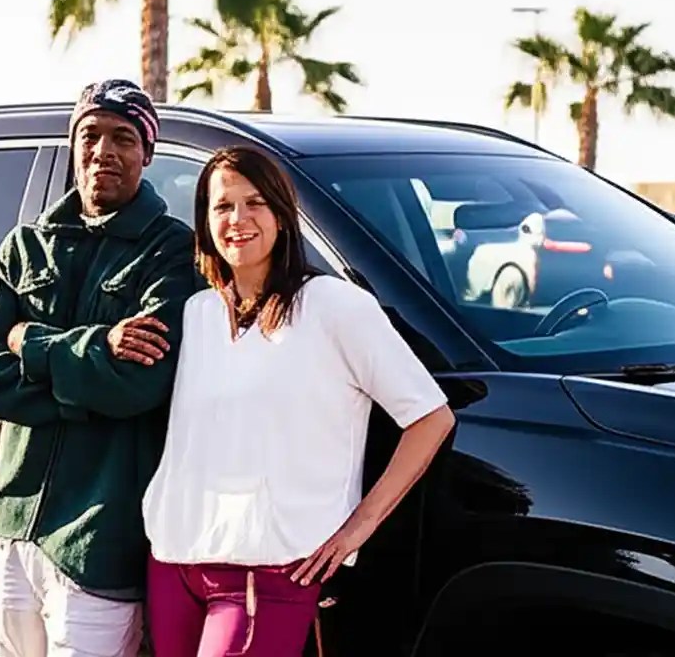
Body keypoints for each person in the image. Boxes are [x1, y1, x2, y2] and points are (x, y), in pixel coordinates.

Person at [128, 145, 457, 657]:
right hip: (174, 562)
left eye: (255, 203)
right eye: (222, 206)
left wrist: (357, 529)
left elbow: (430, 418)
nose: (238, 219)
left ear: (282, 214)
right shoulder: (197, 313)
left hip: (269, 573)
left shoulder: (334, 306)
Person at [0, 78, 200, 656]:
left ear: (148, 153)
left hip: (98, 537)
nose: (104, 151)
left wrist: (30, 342)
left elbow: (137, 384)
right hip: (13, 522)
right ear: (73, 144)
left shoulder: (170, 252)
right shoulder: (25, 247)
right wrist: (92, 358)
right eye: (90, 135)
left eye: (123, 138)